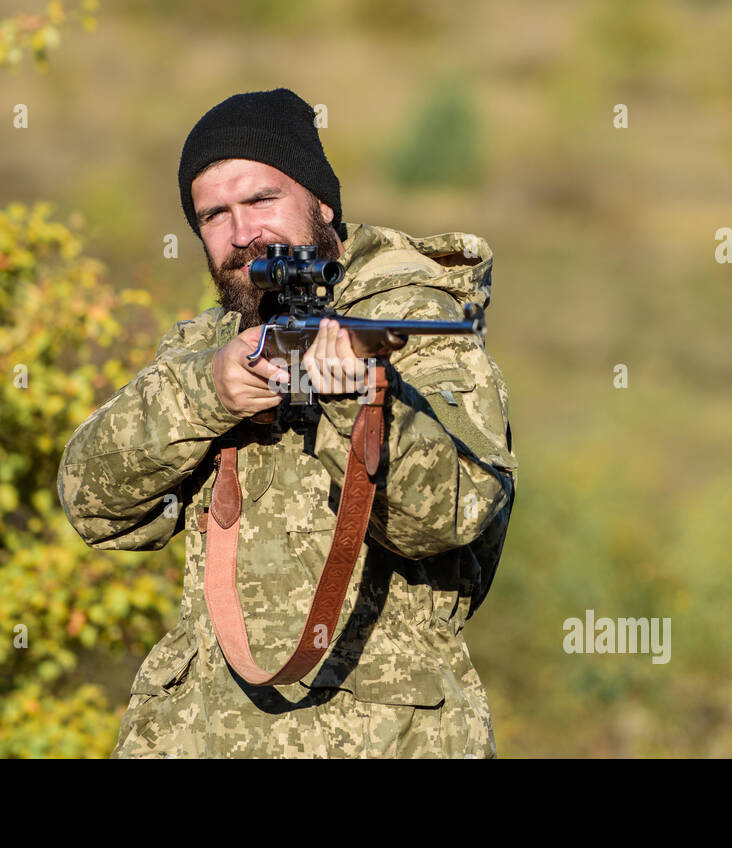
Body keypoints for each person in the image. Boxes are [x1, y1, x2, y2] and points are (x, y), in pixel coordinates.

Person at [57, 88, 517, 757]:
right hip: (203, 737)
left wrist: (355, 401)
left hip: (387, 739)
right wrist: (206, 395)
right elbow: (93, 505)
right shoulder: (203, 350)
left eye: (263, 199)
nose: (245, 233)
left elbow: (449, 517)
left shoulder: (416, 325)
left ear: (321, 203)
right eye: (215, 214)